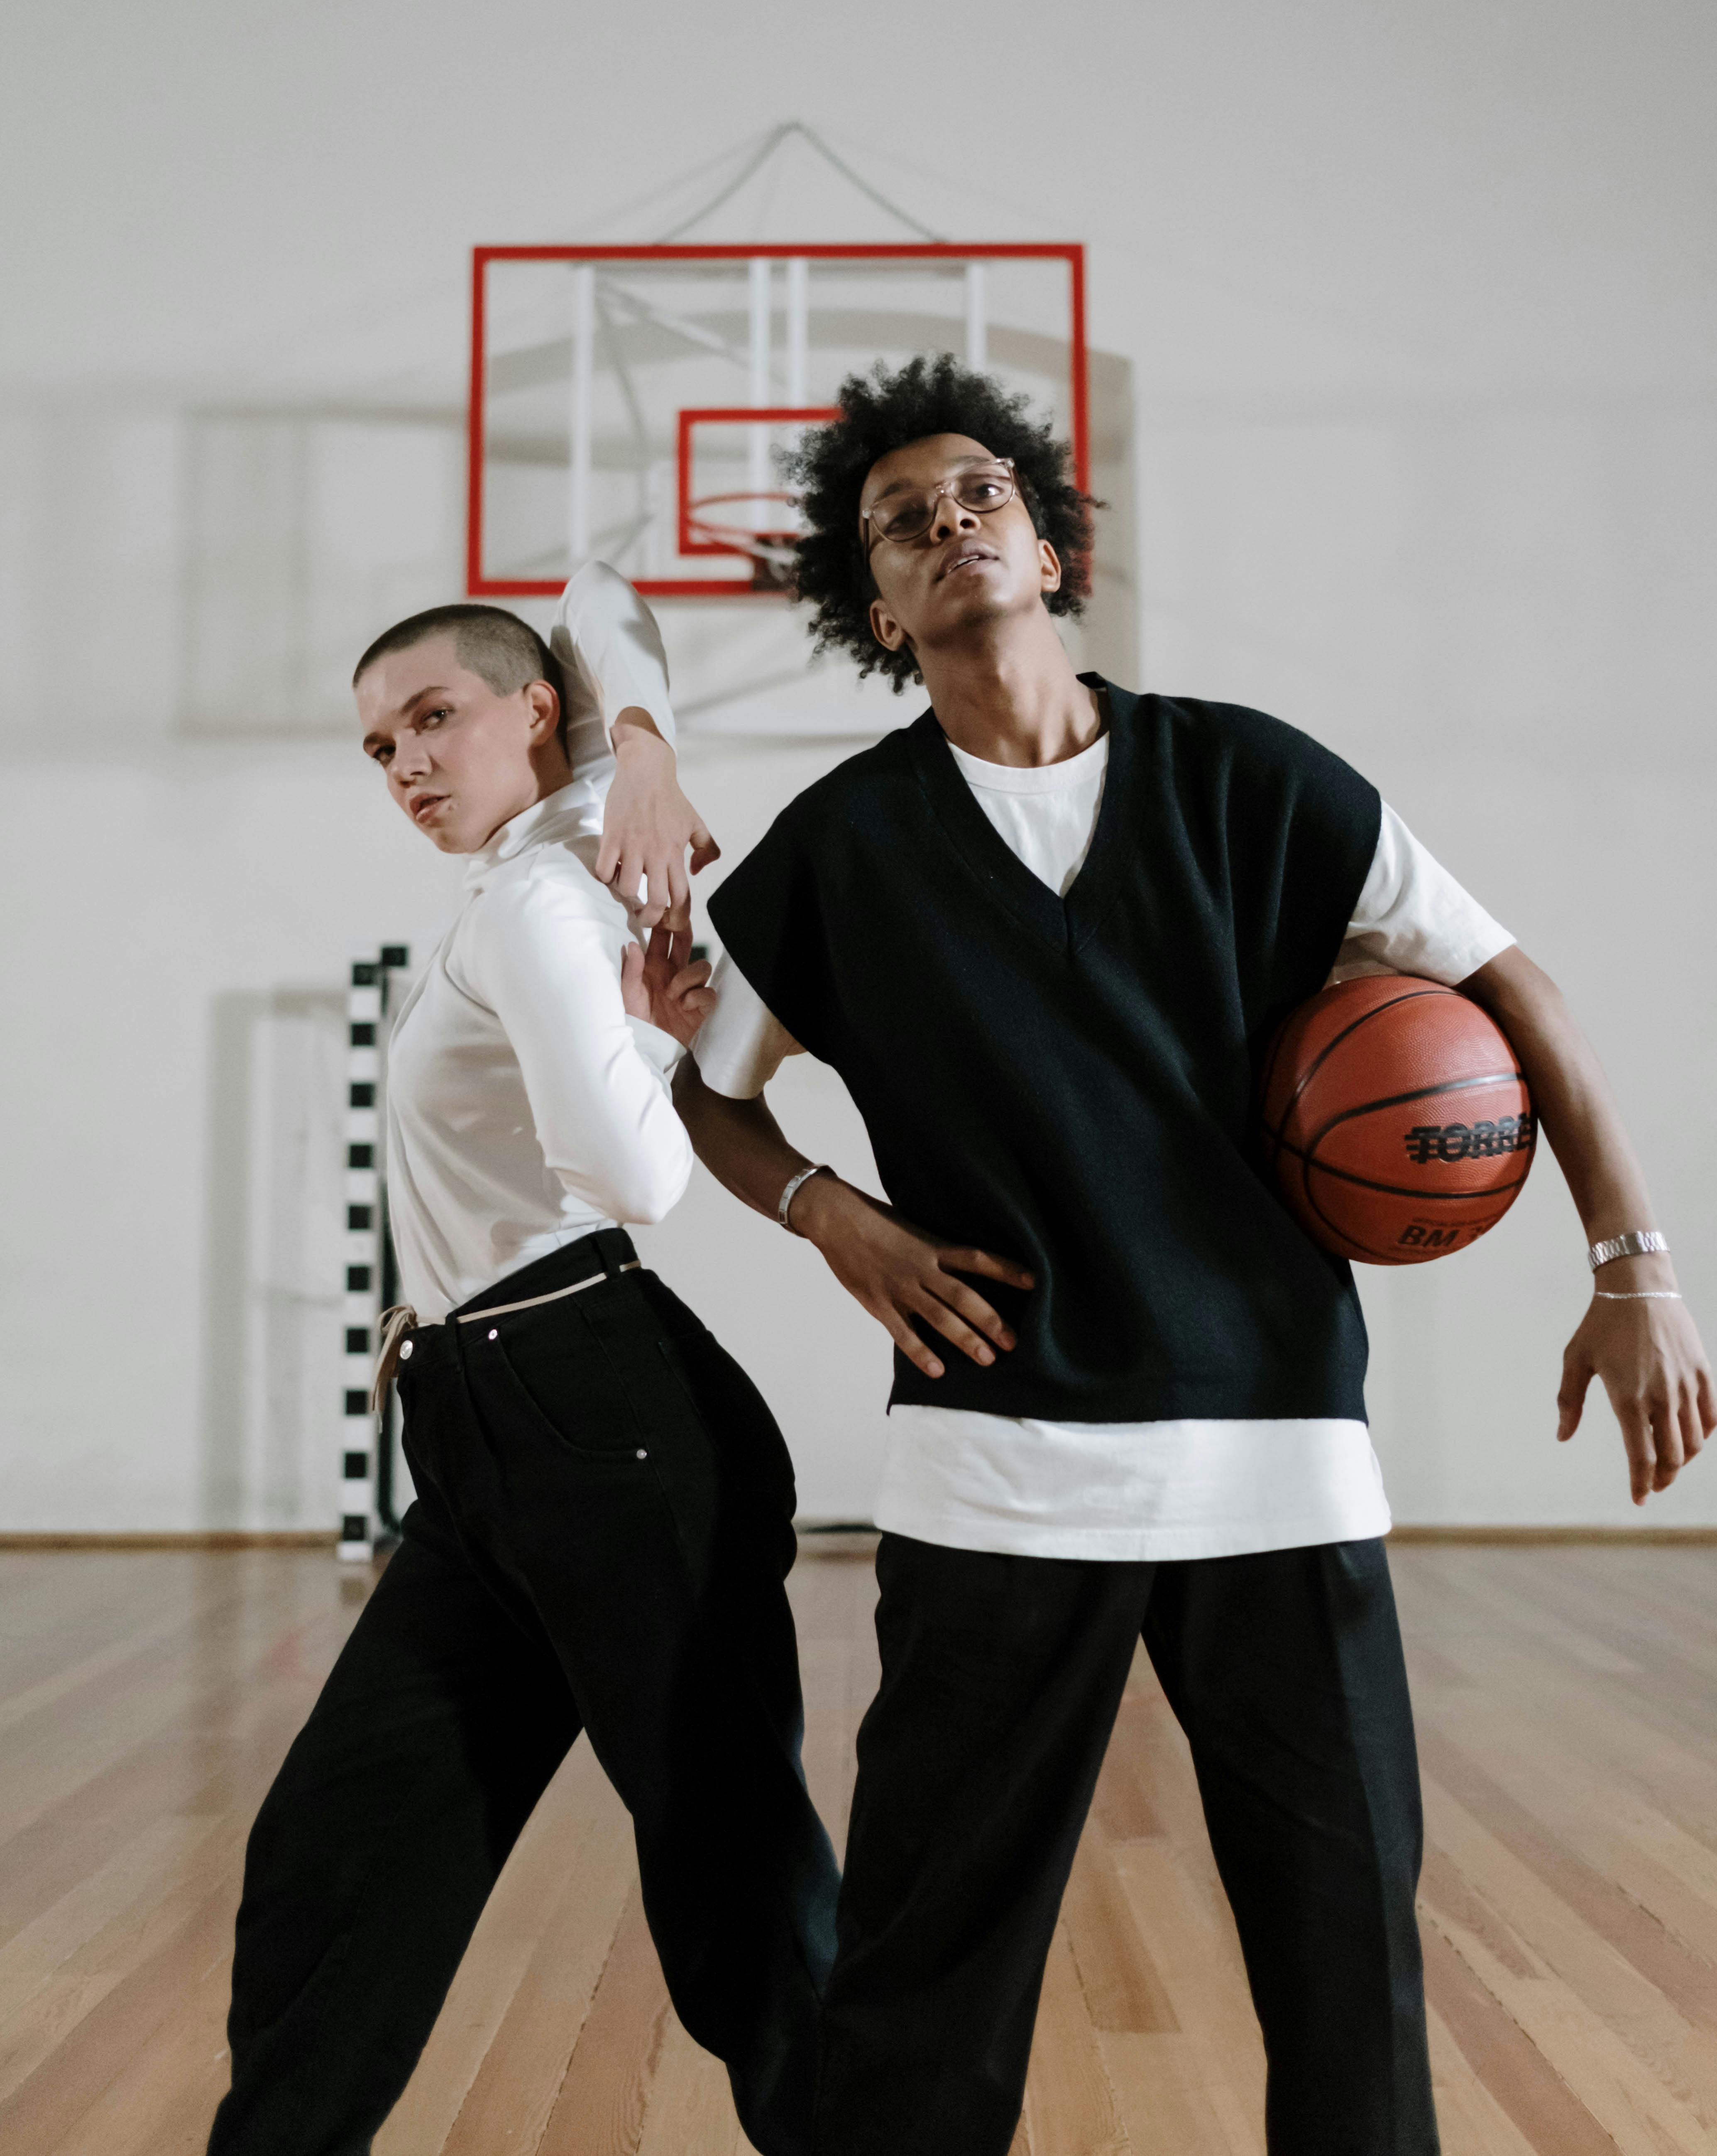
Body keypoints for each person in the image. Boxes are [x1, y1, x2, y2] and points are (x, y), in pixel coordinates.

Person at [672, 356, 1715, 2156]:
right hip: (998, 1463)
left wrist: (1634, 1268)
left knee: (1348, 1980)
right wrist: (833, 1216)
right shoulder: (843, 844)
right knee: (924, 1991)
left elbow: (1517, 995)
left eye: (980, 493)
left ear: (1048, 544)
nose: (947, 524)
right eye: (900, 523)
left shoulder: (1251, 776)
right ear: (877, 607)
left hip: (1277, 1452)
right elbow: (702, 1093)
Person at [208, 565, 839, 2156]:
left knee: (735, 1883)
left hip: (593, 1411)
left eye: (435, 718)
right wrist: (645, 754)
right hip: (497, 1432)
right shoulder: (553, 848)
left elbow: (636, 1179)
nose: (407, 763)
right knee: (339, 1848)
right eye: (380, 746)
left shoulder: (547, 894)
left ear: (533, 707)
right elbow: (598, 595)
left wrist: (652, 1014)